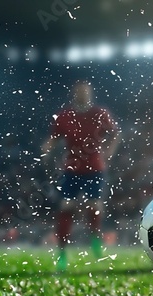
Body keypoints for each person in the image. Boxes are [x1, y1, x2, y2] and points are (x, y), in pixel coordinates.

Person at [40, 80, 121, 271]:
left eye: (86, 92)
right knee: (66, 207)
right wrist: (47, 148)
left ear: (90, 94)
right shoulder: (64, 116)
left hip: (95, 168)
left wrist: (109, 150)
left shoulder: (100, 114)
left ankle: (94, 236)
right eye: (80, 92)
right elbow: (53, 138)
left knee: (94, 205)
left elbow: (115, 133)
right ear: (74, 94)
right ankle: (62, 253)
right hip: (71, 169)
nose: (83, 95)